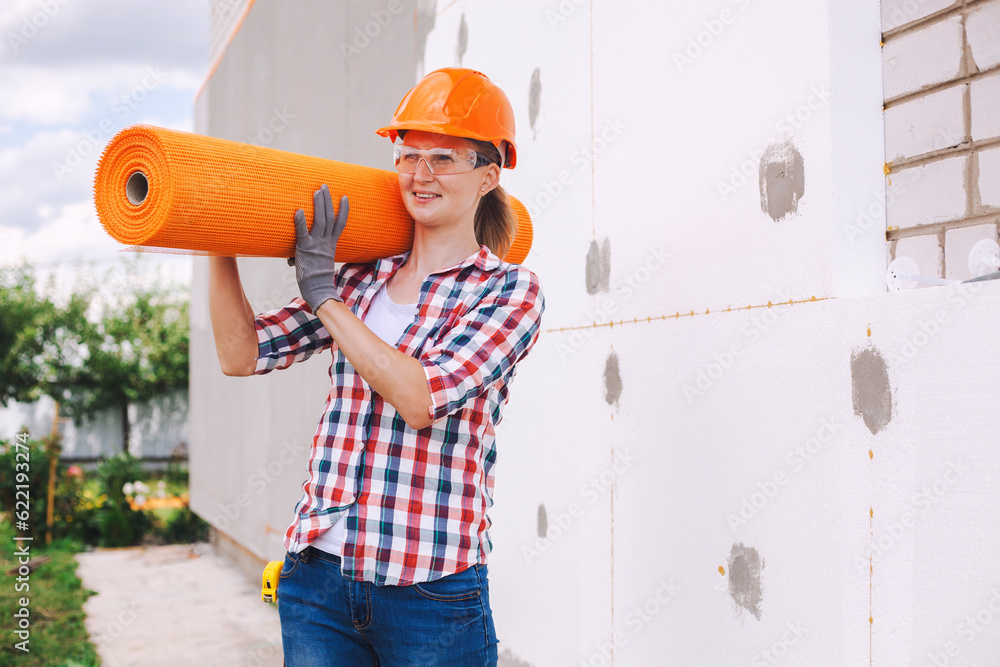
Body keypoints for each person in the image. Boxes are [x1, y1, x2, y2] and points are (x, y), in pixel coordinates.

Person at [208, 67, 545, 666]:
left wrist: (325, 298)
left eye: (443, 157)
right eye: (407, 155)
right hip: (318, 580)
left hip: (429, 590)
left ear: (489, 176)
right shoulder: (361, 277)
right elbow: (242, 353)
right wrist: (218, 236)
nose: (419, 174)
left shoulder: (509, 291)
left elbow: (420, 397)